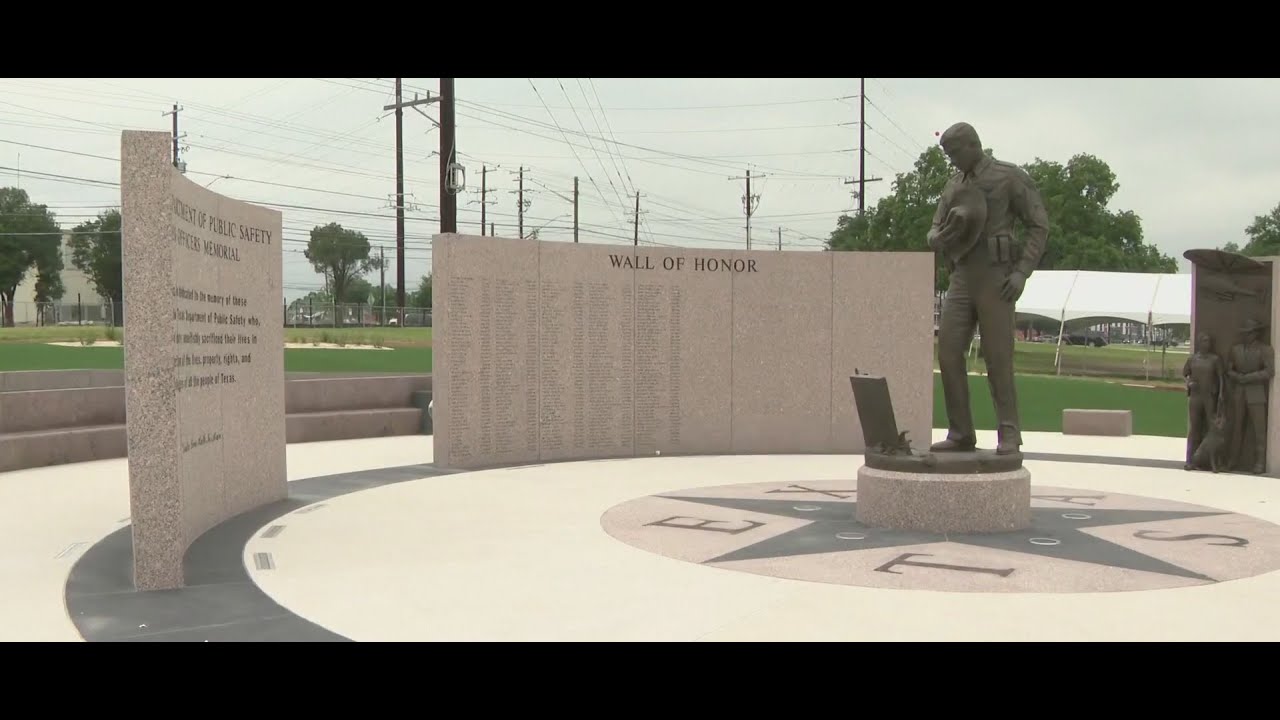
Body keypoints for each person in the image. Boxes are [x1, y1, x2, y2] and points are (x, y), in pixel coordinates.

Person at [929, 122, 1050, 455]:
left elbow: (1039, 225)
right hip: (962, 275)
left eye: (954, 153)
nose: (952, 160)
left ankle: (1009, 433)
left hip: (997, 277)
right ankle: (960, 432)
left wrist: (1022, 271)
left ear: (973, 145)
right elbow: (934, 230)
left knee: (998, 358)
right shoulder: (953, 186)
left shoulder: (1008, 176)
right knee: (949, 353)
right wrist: (942, 235)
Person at [1226, 318, 1273, 473]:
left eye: (1250, 333)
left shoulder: (1265, 349)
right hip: (1239, 392)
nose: (1247, 335)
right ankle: (1232, 460)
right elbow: (1229, 369)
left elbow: (1269, 371)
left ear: (1256, 333)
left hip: (1256, 392)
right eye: (1245, 333)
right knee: (1237, 427)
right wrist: (1236, 376)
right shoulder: (1236, 349)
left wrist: (1249, 377)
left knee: (1259, 429)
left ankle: (1259, 462)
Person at [1182, 331, 1224, 469]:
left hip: (1209, 397)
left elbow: (1221, 378)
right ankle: (1190, 460)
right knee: (1194, 428)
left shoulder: (1215, 359)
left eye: (1209, 341)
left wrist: (1221, 394)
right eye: (1205, 341)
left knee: (1212, 429)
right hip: (1195, 396)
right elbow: (1185, 374)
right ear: (1199, 343)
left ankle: (1212, 462)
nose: (1208, 343)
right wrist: (1189, 383)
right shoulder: (1192, 359)